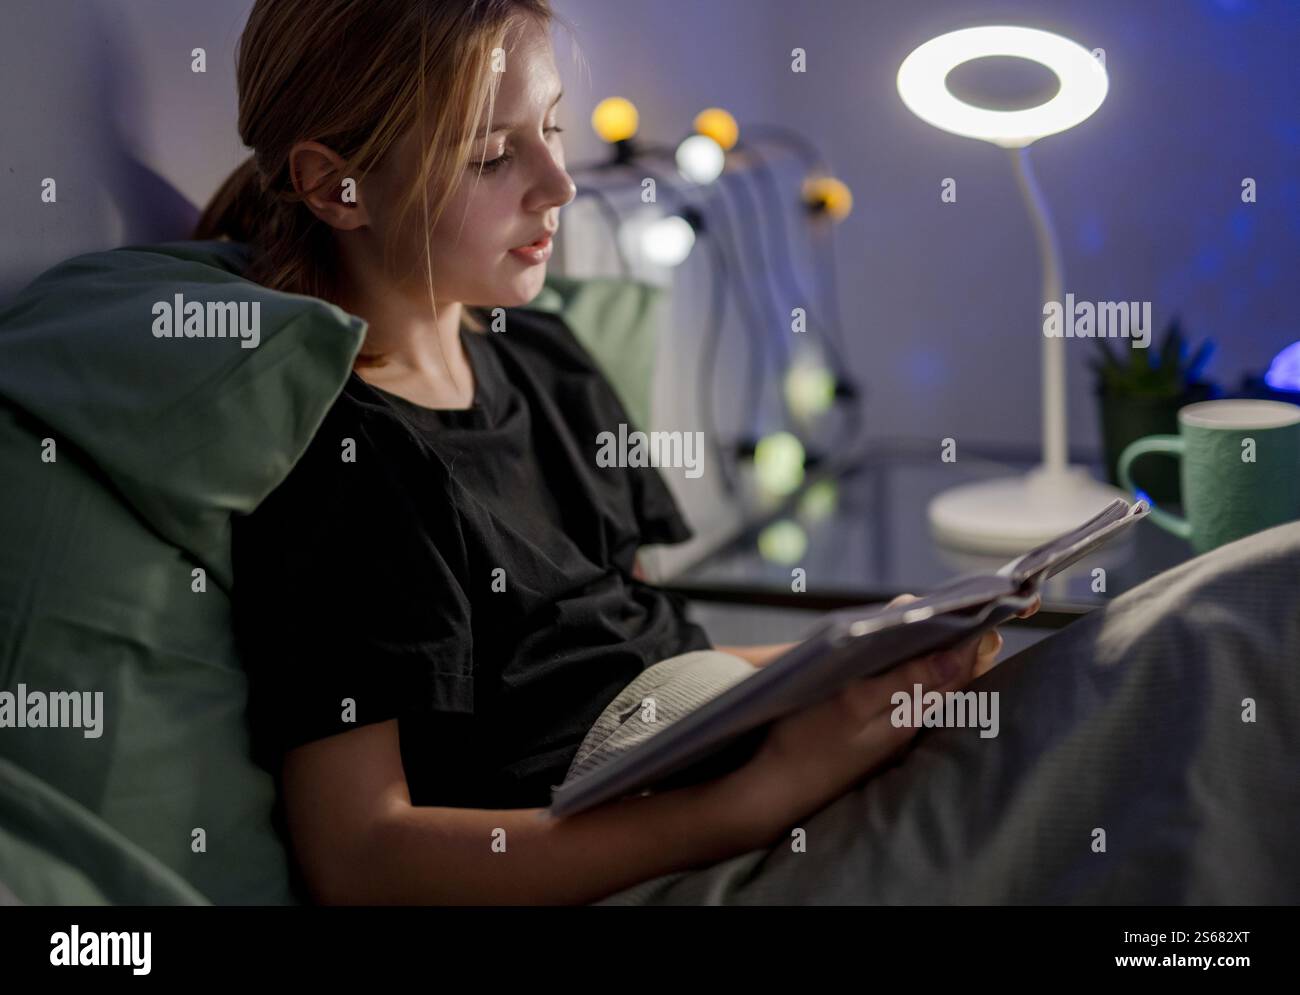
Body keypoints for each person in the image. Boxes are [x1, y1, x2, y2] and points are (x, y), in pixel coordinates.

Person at [213, 0, 1033, 906]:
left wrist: (861, 650)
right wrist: (755, 803)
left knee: (1134, 662)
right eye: (491, 155)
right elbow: (360, 855)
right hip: (658, 845)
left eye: (554, 126)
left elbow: (638, 649)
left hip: (713, 747)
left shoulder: (547, 360)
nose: (558, 183)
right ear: (339, 188)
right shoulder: (352, 465)